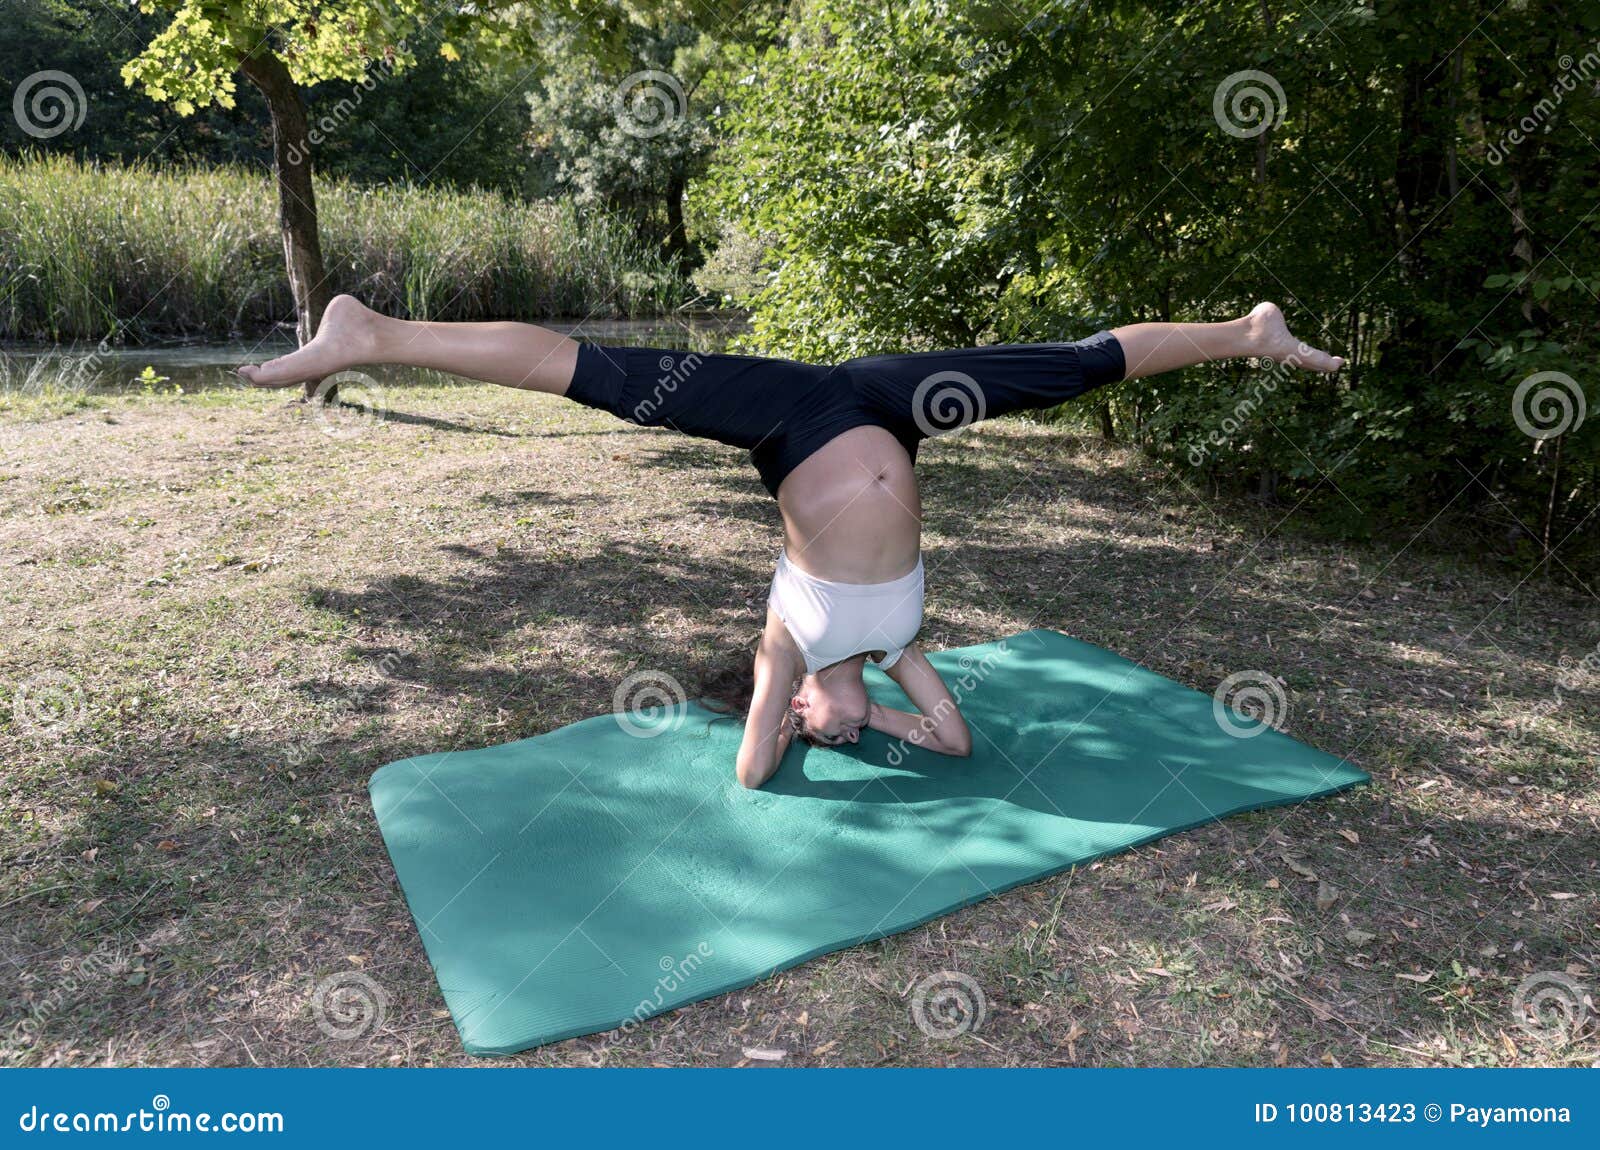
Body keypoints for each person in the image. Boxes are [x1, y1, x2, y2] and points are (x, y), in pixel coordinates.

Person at [239, 296, 1342, 788]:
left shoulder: (788, 651)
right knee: (1077, 363)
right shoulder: (905, 649)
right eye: (848, 739)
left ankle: (374, 334)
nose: (845, 735)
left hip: (788, 418)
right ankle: (1248, 333)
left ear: (802, 706)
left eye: (828, 732)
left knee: (596, 375)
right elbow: (954, 745)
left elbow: (754, 770)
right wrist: (895, 721)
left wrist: (791, 714)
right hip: (891, 406)